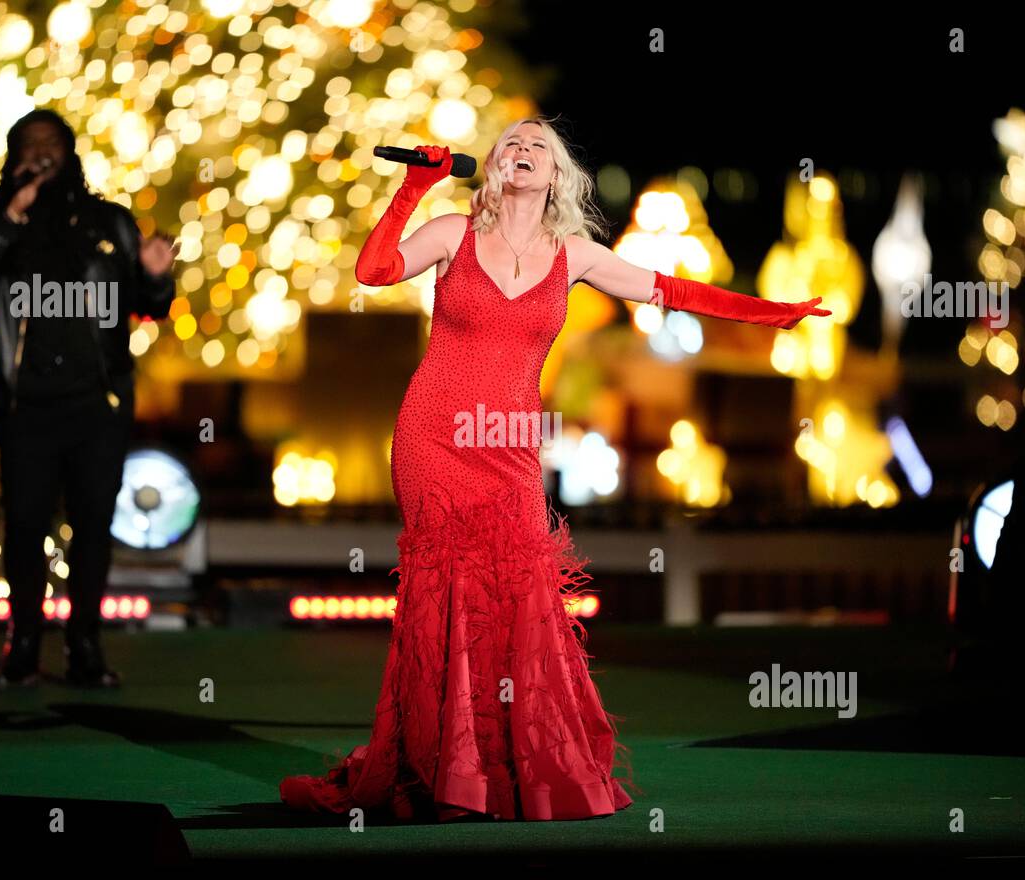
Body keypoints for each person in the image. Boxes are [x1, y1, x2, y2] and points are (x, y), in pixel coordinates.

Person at [279, 117, 829, 822]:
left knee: (517, 595)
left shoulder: (576, 255)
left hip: (508, 447)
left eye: (538, 146)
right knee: (445, 593)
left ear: (558, 176)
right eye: (512, 143)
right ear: (495, 166)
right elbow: (373, 270)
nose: (522, 151)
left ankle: (505, 769)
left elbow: (671, 292)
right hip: (432, 435)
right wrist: (415, 185)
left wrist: (768, 314)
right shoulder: (453, 233)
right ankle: (444, 772)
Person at [0, 109, 177, 689]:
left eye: (54, 144)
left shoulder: (109, 222)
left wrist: (154, 277)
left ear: (72, 153)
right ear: (14, 154)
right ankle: (23, 643)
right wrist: (10, 214)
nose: (43, 153)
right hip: (26, 405)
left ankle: (85, 647)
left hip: (96, 404)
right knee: (25, 523)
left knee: (93, 524)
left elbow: (148, 304)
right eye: (31, 144)